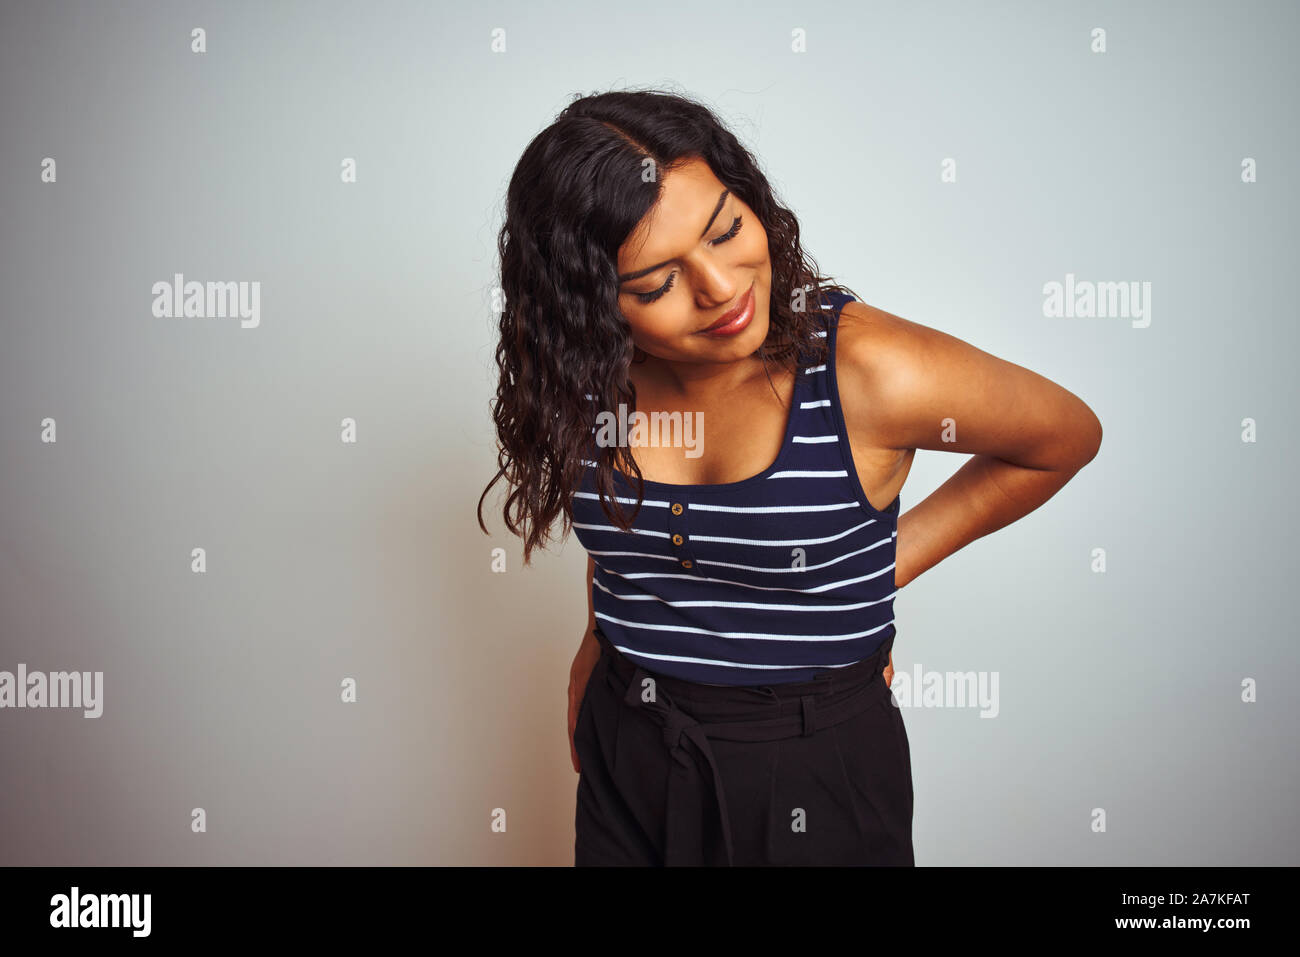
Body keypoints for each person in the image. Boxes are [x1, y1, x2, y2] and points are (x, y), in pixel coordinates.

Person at [478, 88, 1102, 866]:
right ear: (591, 304)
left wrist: (869, 572)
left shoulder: (867, 372)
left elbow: (1066, 435)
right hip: (626, 737)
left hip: (809, 765)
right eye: (655, 282)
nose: (720, 288)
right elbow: (630, 529)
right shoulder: (588, 371)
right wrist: (598, 637)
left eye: (726, 229)